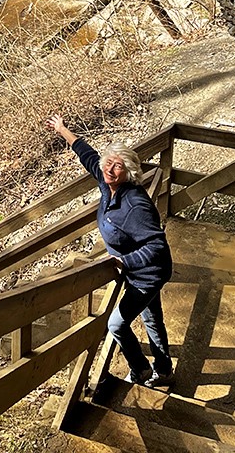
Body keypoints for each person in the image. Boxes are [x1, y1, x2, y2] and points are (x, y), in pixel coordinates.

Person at [47, 114, 175, 388]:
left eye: (118, 166)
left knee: (116, 324)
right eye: (109, 163)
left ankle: (140, 369)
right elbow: (89, 156)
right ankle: (164, 370)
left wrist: (124, 261)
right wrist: (63, 130)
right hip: (136, 273)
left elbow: (156, 245)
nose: (110, 169)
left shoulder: (134, 205)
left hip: (148, 274)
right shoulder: (107, 183)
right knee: (152, 317)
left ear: (129, 173)